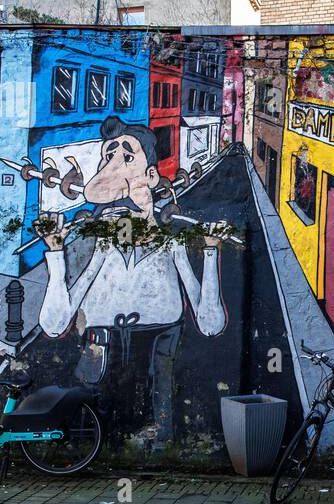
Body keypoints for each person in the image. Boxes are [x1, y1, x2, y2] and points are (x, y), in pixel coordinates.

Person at [36, 115, 230, 447]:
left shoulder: (172, 245)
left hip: (158, 351)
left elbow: (210, 324)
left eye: (127, 157)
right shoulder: (100, 247)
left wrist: (211, 252)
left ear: (151, 176)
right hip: (102, 359)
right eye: (108, 155)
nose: (116, 167)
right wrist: (55, 254)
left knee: (154, 436)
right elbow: (55, 325)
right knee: (100, 432)